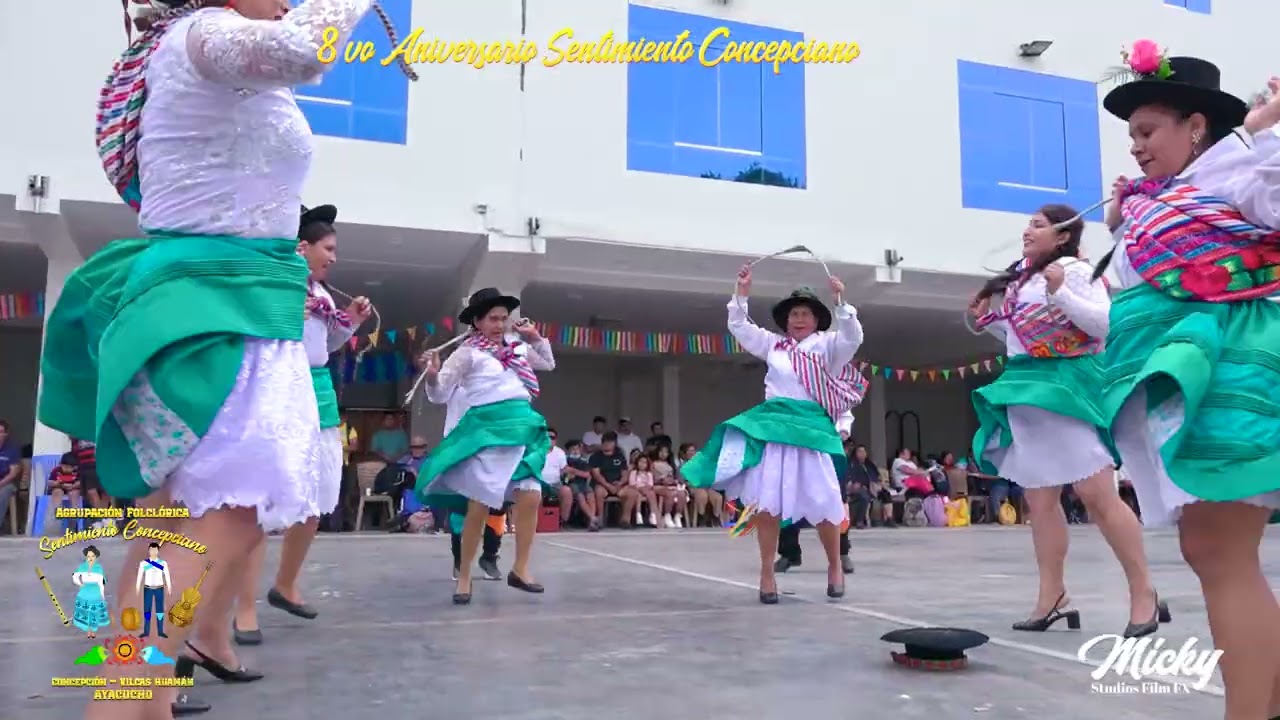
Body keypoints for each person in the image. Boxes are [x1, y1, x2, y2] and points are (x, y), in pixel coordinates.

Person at [33, 1, 410, 716]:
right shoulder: (204, 35)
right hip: (218, 302)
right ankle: (115, 702)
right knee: (229, 515)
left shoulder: (193, 45)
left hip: (207, 295)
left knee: (167, 529)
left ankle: (134, 702)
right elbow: (304, 49)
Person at [1093, 47, 1280, 716]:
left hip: (1226, 375)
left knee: (1220, 551)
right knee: (1216, 551)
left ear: (1196, 126)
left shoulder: (1237, 174)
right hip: (1190, 376)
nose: (1137, 148)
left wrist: (1266, 127)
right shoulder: (1164, 202)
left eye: (1148, 131)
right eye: (1132, 136)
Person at [969, 202, 1161, 637]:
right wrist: (988, 324)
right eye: (1027, 222)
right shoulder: (1020, 278)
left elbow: (1102, 325)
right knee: (1039, 503)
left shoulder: (1074, 270)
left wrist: (1062, 290)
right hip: (1026, 389)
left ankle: (1143, 592)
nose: (1027, 230)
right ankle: (1052, 596)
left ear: (1062, 236)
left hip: (1067, 388)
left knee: (1097, 494)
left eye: (1037, 225)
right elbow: (1025, 337)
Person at [230, 203, 371, 646]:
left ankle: (285, 584)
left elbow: (324, 343)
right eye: (327, 248)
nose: (333, 257)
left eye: (334, 249)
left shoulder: (323, 296)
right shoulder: (275, 285)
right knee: (259, 505)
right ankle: (244, 609)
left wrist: (351, 324)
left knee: (314, 497)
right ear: (302, 247)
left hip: (319, 388)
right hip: (279, 388)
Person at [682, 267, 863, 603]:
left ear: (817, 319)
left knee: (826, 502)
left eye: (806, 313)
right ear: (786, 319)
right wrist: (742, 292)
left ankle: (834, 566)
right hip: (776, 430)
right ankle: (766, 574)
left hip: (812, 431)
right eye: (794, 313)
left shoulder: (829, 346)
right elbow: (740, 326)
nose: (799, 319)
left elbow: (853, 338)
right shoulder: (774, 346)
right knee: (768, 505)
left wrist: (842, 305)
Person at [414, 288, 556, 604]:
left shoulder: (518, 347)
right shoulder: (467, 353)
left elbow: (547, 364)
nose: (500, 324)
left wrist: (535, 337)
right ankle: (464, 576)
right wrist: (434, 375)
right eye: (493, 318)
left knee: (530, 495)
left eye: (504, 318)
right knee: (478, 507)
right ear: (477, 321)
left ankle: (520, 568)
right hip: (487, 431)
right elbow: (439, 395)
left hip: (523, 426)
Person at [776, 410, 858, 575]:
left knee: (836, 501)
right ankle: (789, 553)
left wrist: (842, 430)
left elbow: (844, 410)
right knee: (790, 497)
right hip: (798, 445)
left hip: (829, 446)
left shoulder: (830, 385)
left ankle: (841, 552)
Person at [589, 432, 631, 527]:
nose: (607, 444)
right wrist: (608, 485)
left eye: (610, 442)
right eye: (605, 442)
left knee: (632, 493)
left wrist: (620, 483)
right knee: (599, 492)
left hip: (618, 485)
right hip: (602, 484)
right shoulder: (596, 457)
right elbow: (596, 474)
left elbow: (625, 473)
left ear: (615, 443)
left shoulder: (620, 456)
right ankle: (600, 519)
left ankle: (625, 520)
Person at [136, 542, 172, 639]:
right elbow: (140, 576)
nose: (153, 552)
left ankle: (160, 631)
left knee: (159, 611)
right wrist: (137, 586)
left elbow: (167, 575)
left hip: (159, 589)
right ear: (149, 550)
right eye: (151, 550)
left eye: (155, 550)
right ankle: (146, 631)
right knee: (147, 611)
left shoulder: (163, 563)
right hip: (148, 589)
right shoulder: (143, 563)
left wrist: (169, 587)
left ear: (158, 551)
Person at [73, 546, 110, 640]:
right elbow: (75, 576)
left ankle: (93, 630)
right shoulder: (82, 567)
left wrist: (102, 595)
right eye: (88, 556)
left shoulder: (98, 568)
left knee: (94, 612)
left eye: (92, 556)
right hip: (85, 592)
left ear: (96, 557)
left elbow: (101, 583)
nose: (90, 558)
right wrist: (79, 583)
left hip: (95, 592)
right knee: (86, 612)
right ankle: (88, 630)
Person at [846, 444, 878, 528]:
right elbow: (850, 477)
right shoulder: (851, 463)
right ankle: (860, 520)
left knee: (886, 494)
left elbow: (875, 476)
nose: (862, 453)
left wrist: (877, 483)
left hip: (871, 486)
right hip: (855, 488)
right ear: (855, 453)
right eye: (860, 451)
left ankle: (888, 519)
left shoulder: (869, 464)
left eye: (864, 451)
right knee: (864, 496)